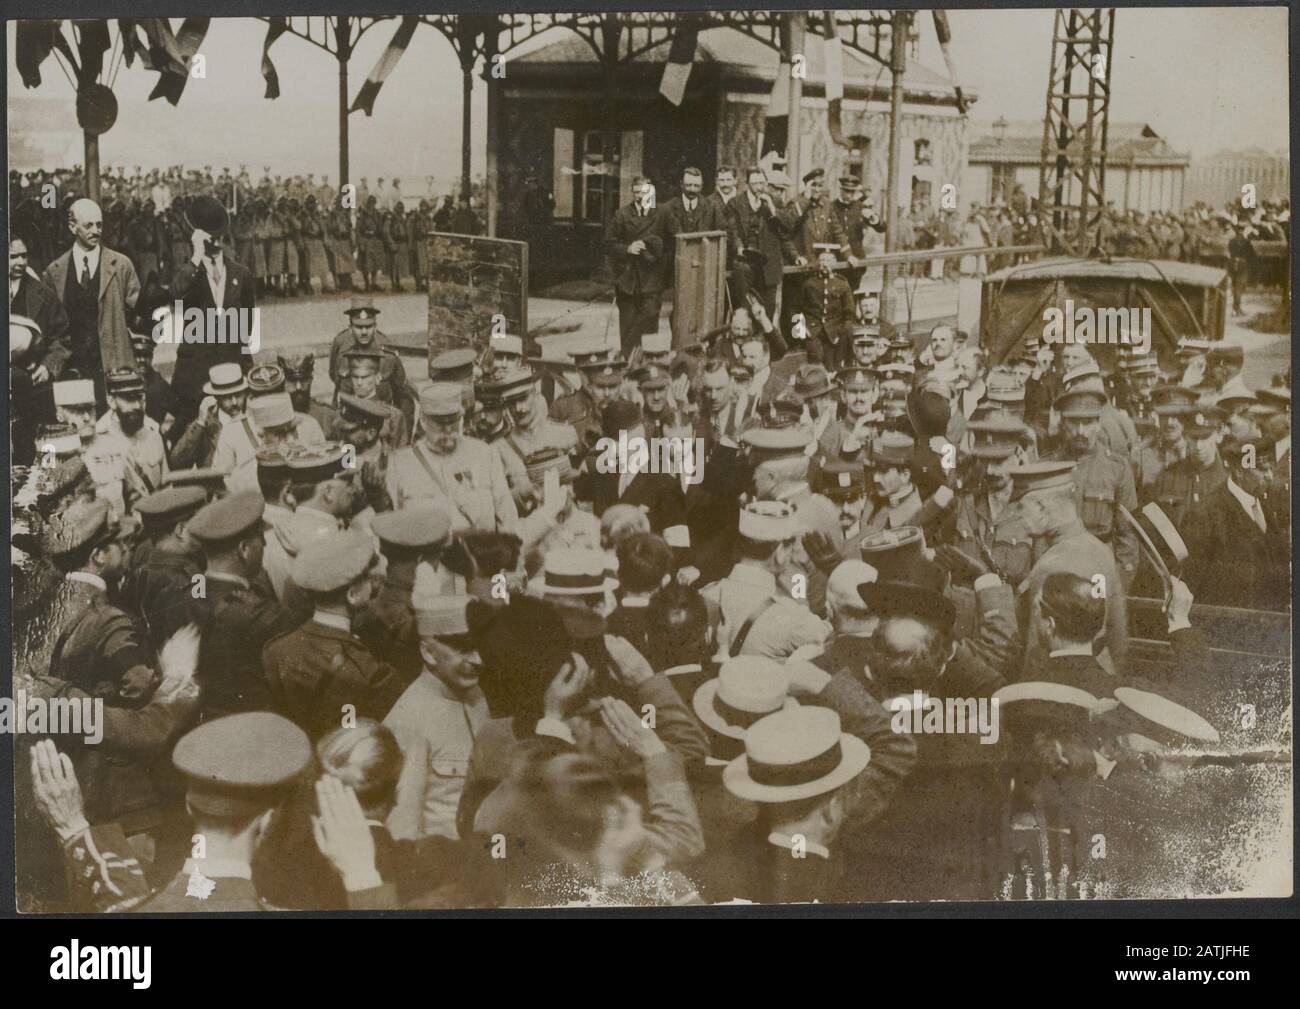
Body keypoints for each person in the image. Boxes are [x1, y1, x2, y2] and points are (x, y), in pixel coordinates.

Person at [263, 529, 409, 740]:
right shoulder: (368, 673)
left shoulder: (275, 650)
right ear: (352, 594)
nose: (375, 586)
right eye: (371, 580)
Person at [186, 491, 305, 719]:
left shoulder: (188, 593)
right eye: (259, 537)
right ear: (243, 549)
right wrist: (303, 562)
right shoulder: (255, 613)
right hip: (254, 725)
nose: (264, 542)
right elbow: (304, 629)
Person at [384, 586, 488, 840]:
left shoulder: (483, 698)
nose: (477, 659)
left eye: (480, 646)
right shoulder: (407, 721)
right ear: (428, 652)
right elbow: (403, 830)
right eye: (462, 648)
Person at [165, 195, 256, 430]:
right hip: (193, 376)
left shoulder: (241, 274)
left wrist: (247, 369)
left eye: (219, 236)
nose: (215, 242)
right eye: (209, 237)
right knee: (188, 439)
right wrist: (196, 256)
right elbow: (175, 294)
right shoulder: (188, 270)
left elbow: (246, 330)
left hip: (230, 376)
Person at [42, 198, 141, 412]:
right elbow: (50, 328)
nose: (96, 231)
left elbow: (140, 316)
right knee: (77, 429)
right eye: (88, 225)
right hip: (70, 370)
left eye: (99, 224)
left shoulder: (121, 266)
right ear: (72, 227)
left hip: (112, 369)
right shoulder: (54, 272)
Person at [385, 384, 518, 532]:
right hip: (429, 553)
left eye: (452, 421)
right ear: (423, 420)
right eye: (440, 423)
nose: (448, 429)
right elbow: (392, 525)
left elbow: (507, 517)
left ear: (461, 419)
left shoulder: (484, 454)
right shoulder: (401, 464)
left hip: (479, 552)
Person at [605, 176, 665, 358]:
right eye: (637, 192)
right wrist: (628, 249)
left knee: (649, 326)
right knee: (629, 328)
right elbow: (608, 243)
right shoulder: (622, 215)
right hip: (628, 282)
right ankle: (628, 366)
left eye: (644, 192)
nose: (640, 196)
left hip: (651, 281)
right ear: (632, 192)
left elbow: (670, 240)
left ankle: (649, 369)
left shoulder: (661, 214)